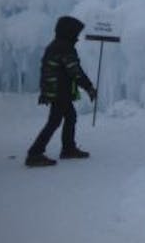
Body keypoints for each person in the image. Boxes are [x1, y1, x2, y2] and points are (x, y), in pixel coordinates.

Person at [26, 15, 98, 167]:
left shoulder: (56, 45)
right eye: (76, 33)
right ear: (69, 32)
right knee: (55, 121)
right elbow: (74, 71)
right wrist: (89, 87)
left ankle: (68, 148)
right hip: (59, 91)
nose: (77, 36)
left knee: (69, 117)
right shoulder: (64, 47)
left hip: (56, 89)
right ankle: (35, 153)